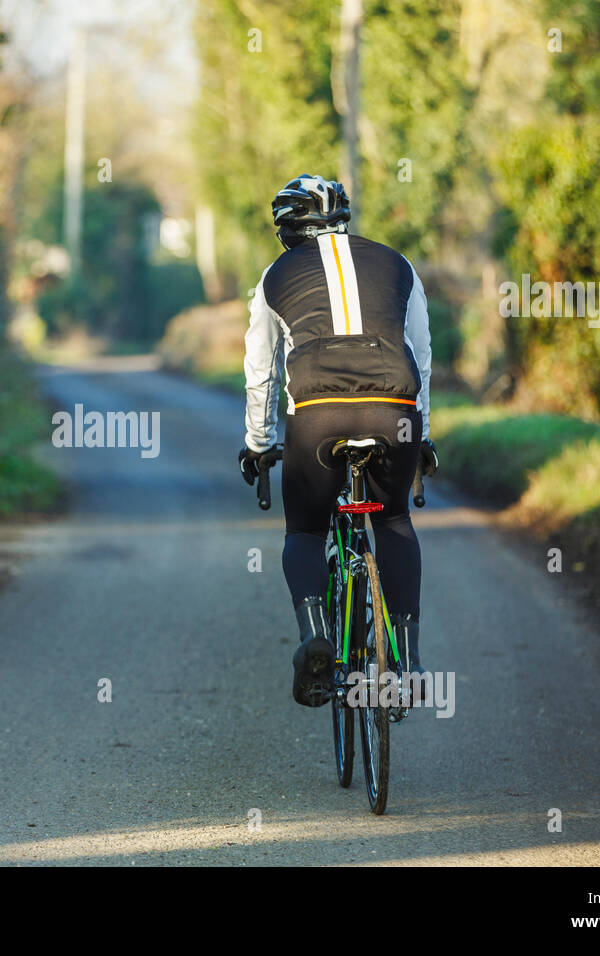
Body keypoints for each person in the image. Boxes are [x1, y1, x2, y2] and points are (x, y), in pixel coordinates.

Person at [238, 174, 438, 706]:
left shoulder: (273, 276)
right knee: (393, 519)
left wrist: (258, 443)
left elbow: (260, 368)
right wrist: (422, 434)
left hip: (318, 411)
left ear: (287, 231)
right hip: (394, 405)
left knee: (304, 530)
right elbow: (421, 352)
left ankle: (316, 635)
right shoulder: (399, 264)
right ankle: (410, 661)